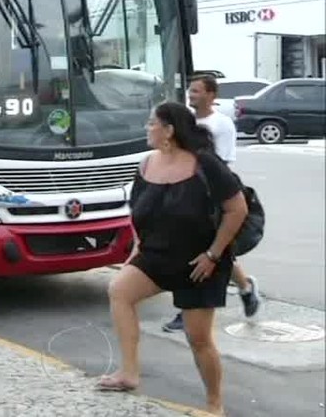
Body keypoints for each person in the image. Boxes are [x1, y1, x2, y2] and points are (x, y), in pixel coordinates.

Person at [100, 102, 247, 415]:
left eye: (152, 123)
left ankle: (214, 405)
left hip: (200, 263)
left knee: (198, 339)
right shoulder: (145, 165)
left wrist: (213, 254)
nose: (147, 128)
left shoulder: (205, 164)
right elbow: (139, 211)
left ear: (168, 130)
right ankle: (128, 372)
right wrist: (137, 248)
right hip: (156, 255)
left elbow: (238, 210)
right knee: (119, 290)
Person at [164, 75, 261, 333]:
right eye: (190, 90)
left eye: (196, 91)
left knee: (203, 251)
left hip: (211, 197)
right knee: (208, 252)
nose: (190, 95)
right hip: (185, 192)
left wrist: (214, 198)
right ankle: (246, 288)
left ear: (211, 95)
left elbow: (225, 165)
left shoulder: (222, 124)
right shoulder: (185, 121)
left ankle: (188, 312)